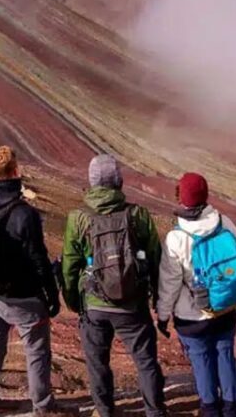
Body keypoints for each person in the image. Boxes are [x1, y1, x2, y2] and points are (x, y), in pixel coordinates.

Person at [62, 154, 167, 417]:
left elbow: (70, 266)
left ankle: (104, 411)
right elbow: (155, 259)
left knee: (98, 363)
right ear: (118, 181)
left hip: (94, 306)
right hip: (133, 305)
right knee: (145, 361)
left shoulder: (78, 219)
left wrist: (75, 301)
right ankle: (155, 412)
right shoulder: (138, 215)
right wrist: (157, 299)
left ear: (93, 182)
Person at [0, 146, 62, 417]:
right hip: (25, 296)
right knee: (36, 351)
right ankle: (43, 406)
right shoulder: (26, 214)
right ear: (16, 171)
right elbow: (38, 259)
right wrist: (52, 295)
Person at [157, 173, 236, 417]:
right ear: (205, 195)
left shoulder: (176, 238)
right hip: (225, 306)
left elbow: (170, 283)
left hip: (191, 316)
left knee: (201, 360)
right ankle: (233, 408)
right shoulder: (225, 223)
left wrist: (163, 315)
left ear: (181, 199)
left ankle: (210, 409)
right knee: (226, 354)